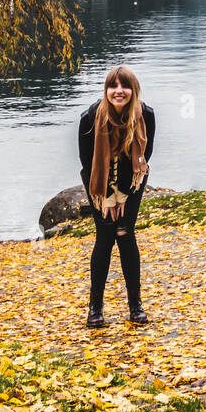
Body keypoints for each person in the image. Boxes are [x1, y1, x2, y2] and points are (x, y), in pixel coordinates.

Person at [77, 65, 155, 328]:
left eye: (124, 86)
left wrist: (122, 194)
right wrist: (108, 197)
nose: (118, 91)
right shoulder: (90, 117)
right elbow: (87, 162)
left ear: (133, 90)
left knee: (125, 233)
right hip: (97, 184)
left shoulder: (146, 115)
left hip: (132, 181)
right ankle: (95, 309)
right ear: (106, 90)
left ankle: (136, 306)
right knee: (105, 235)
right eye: (113, 86)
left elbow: (145, 156)